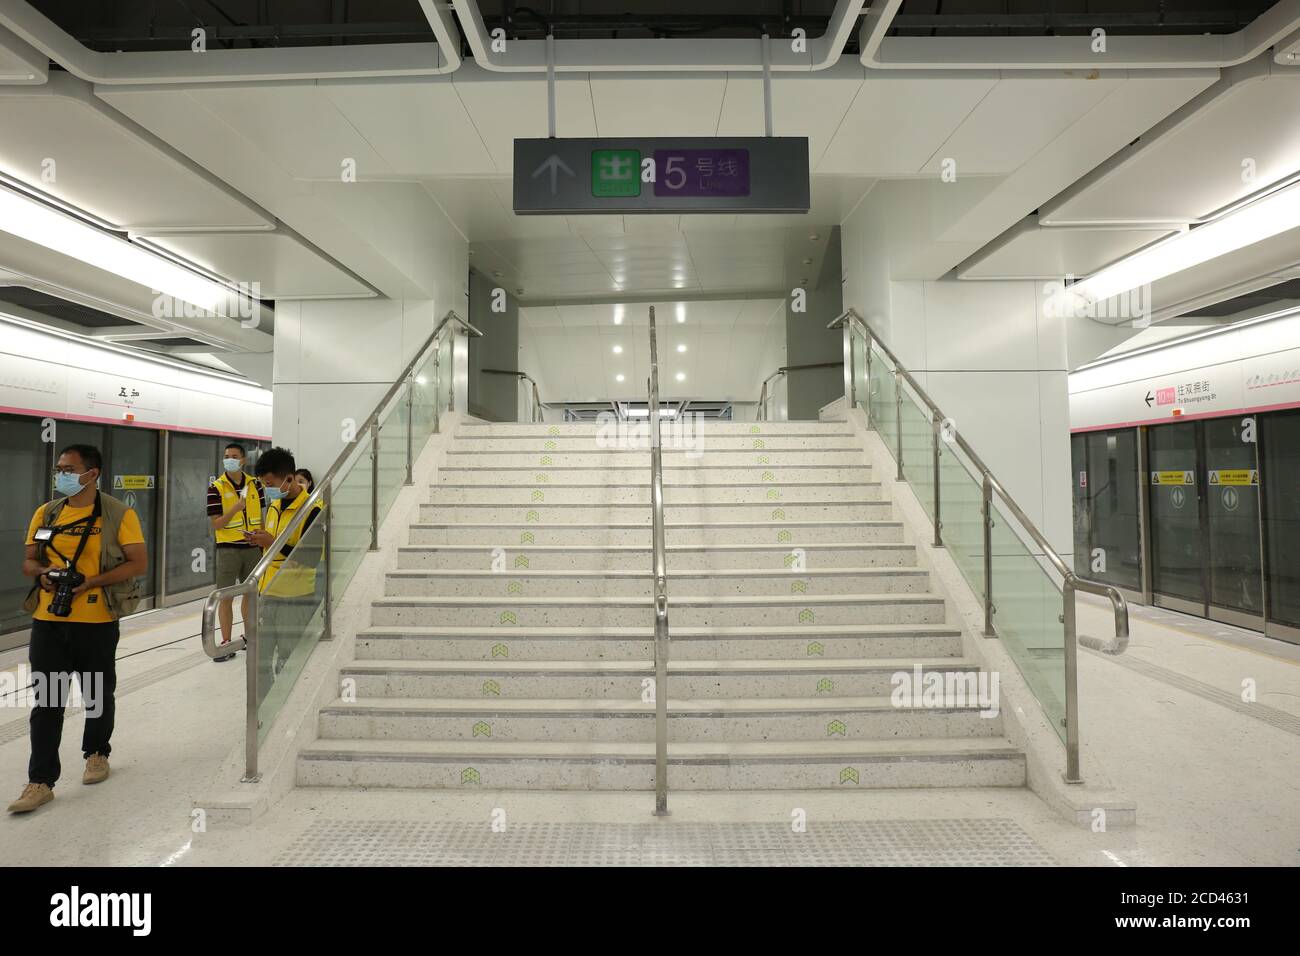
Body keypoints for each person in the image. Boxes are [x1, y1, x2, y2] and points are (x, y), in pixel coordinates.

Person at [7, 444, 147, 814]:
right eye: (59, 468)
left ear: (92, 473)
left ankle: (97, 753)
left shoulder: (118, 514)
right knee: (47, 701)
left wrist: (92, 581)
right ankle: (40, 781)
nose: (61, 475)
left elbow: (137, 563)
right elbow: (28, 562)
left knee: (98, 695)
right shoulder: (47, 512)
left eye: (69, 469)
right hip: (49, 621)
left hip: (97, 621)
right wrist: (45, 574)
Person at [244, 448, 323, 693]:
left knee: (290, 659)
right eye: (263, 484)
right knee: (259, 661)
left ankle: (288, 709)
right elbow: (273, 548)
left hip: (295, 598)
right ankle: (263, 715)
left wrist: (271, 543)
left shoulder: (313, 510)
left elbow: (310, 558)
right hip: (267, 593)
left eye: (270, 483)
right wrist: (261, 541)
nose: (266, 489)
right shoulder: (275, 506)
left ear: (289, 478)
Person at [207, 443, 265, 663]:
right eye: (226, 457)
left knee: (251, 594)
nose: (228, 460)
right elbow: (216, 524)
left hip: (252, 547)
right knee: (225, 596)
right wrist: (235, 508)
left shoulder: (255, 485)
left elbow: (261, 513)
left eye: (233, 456)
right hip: (228, 549)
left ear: (243, 461)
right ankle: (225, 642)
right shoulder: (216, 487)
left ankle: (249, 636)